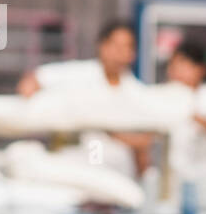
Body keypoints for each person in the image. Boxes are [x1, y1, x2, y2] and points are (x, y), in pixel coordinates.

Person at [16, 19, 154, 176]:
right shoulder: (79, 74)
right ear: (102, 46)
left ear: (133, 53)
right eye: (115, 46)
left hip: (119, 174)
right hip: (77, 165)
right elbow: (32, 82)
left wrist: (119, 135)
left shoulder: (137, 92)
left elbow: (144, 143)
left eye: (126, 47)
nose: (120, 53)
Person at [162, 37, 206, 208]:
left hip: (205, 186)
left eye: (183, 64)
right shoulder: (169, 96)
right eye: (172, 65)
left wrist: (190, 113)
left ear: (201, 69)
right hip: (173, 185)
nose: (175, 71)